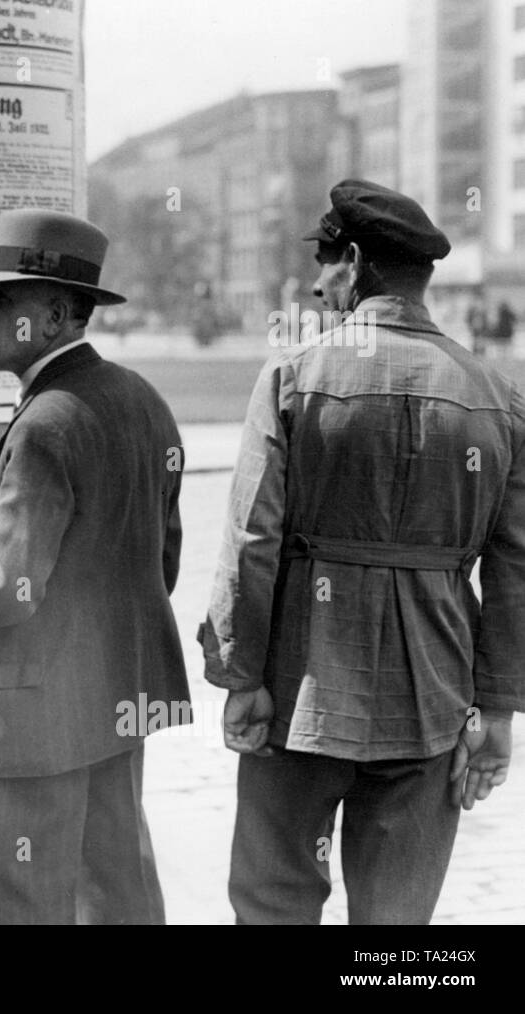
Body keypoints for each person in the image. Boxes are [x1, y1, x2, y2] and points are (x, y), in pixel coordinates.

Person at [200, 179, 525, 925]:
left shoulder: (293, 376)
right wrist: (499, 709)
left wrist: (241, 676)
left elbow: (251, 541)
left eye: (324, 263)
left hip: (301, 692)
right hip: (435, 698)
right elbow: (515, 571)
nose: (318, 286)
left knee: (274, 902)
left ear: (352, 259)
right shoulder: (501, 399)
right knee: (395, 931)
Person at [0, 209, 189, 925]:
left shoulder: (45, 423)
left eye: (2, 299)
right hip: (115, 701)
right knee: (117, 898)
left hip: (29, 717)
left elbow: (4, 584)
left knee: (24, 906)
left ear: (56, 315)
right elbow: (162, 561)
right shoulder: (142, 401)